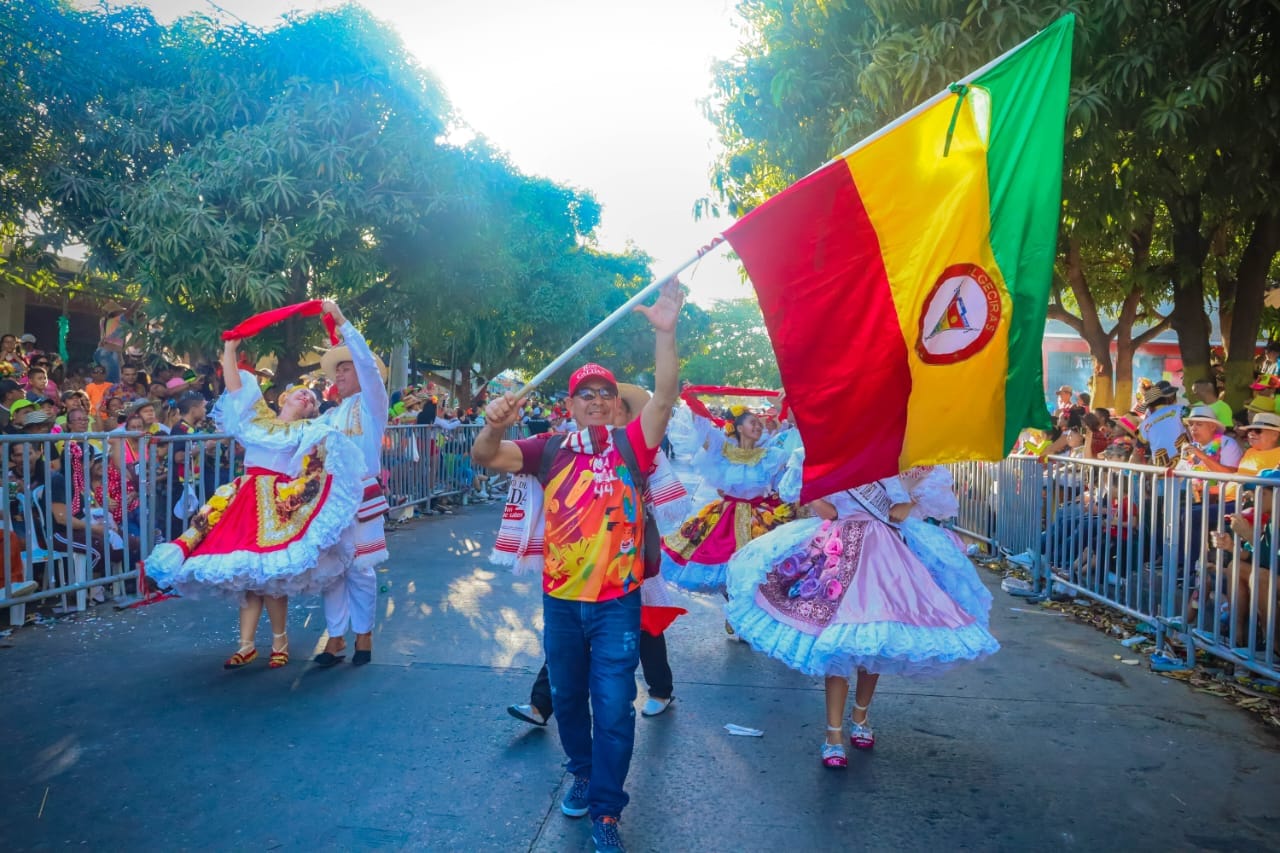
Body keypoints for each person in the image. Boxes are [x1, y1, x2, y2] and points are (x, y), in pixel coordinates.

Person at [472, 278, 682, 853]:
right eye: (584, 394)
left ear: (615, 404)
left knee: (614, 706)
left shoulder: (634, 446)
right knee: (567, 699)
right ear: (569, 405)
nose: (594, 401)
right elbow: (487, 456)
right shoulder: (548, 449)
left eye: (604, 394)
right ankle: (583, 772)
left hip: (617, 605)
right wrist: (494, 422)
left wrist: (666, 333)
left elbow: (665, 396)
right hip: (561, 603)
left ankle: (608, 811)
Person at [724, 479, 999, 769]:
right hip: (839, 551)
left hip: (886, 555)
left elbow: (916, 499)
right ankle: (833, 736)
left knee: (875, 639)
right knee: (838, 646)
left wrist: (909, 503)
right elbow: (827, 511)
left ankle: (860, 715)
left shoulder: (895, 458)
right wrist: (816, 495)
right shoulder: (834, 455)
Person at [145, 336, 365, 669]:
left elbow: (336, 441)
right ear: (284, 397)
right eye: (300, 392)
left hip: (276, 502)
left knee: (271, 577)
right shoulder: (257, 418)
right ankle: (246, 644)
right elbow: (236, 386)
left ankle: (280, 643)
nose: (305, 396)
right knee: (248, 577)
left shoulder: (312, 428)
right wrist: (230, 350)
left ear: (311, 409)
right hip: (244, 499)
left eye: (311, 398)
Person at [507, 381, 691, 727]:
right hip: (582, 564)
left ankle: (660, 690)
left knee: (644, 628)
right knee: (570, 637)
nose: (602, 409)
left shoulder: (640, 447)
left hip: (628, 556)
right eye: (591, 400)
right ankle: (541, 704)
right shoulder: (573, 447)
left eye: (611, 404)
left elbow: (657, 499)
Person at [313, 300, 391, 668]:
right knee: (331, 568)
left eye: (346, 369)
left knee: (360, 566)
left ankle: (363, 634)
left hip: (361, 493)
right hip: (330, 498)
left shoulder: (374, 403)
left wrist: (342, 321)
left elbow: (366, 366)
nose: (339, 375)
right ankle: (335, 636)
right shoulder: (331, 415)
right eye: (337, 371)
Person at [660, 403, 795, 599]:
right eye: (752, 423)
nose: (758, 426)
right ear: (739, 428)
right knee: (722, 565)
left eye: (759, 423)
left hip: (759, 516)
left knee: (760, 570)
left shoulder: (770, 453)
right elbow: (703, 431)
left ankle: (744, 604)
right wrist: (694, 402)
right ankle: (733, 602)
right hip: (726, 516)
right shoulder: (722, 451)